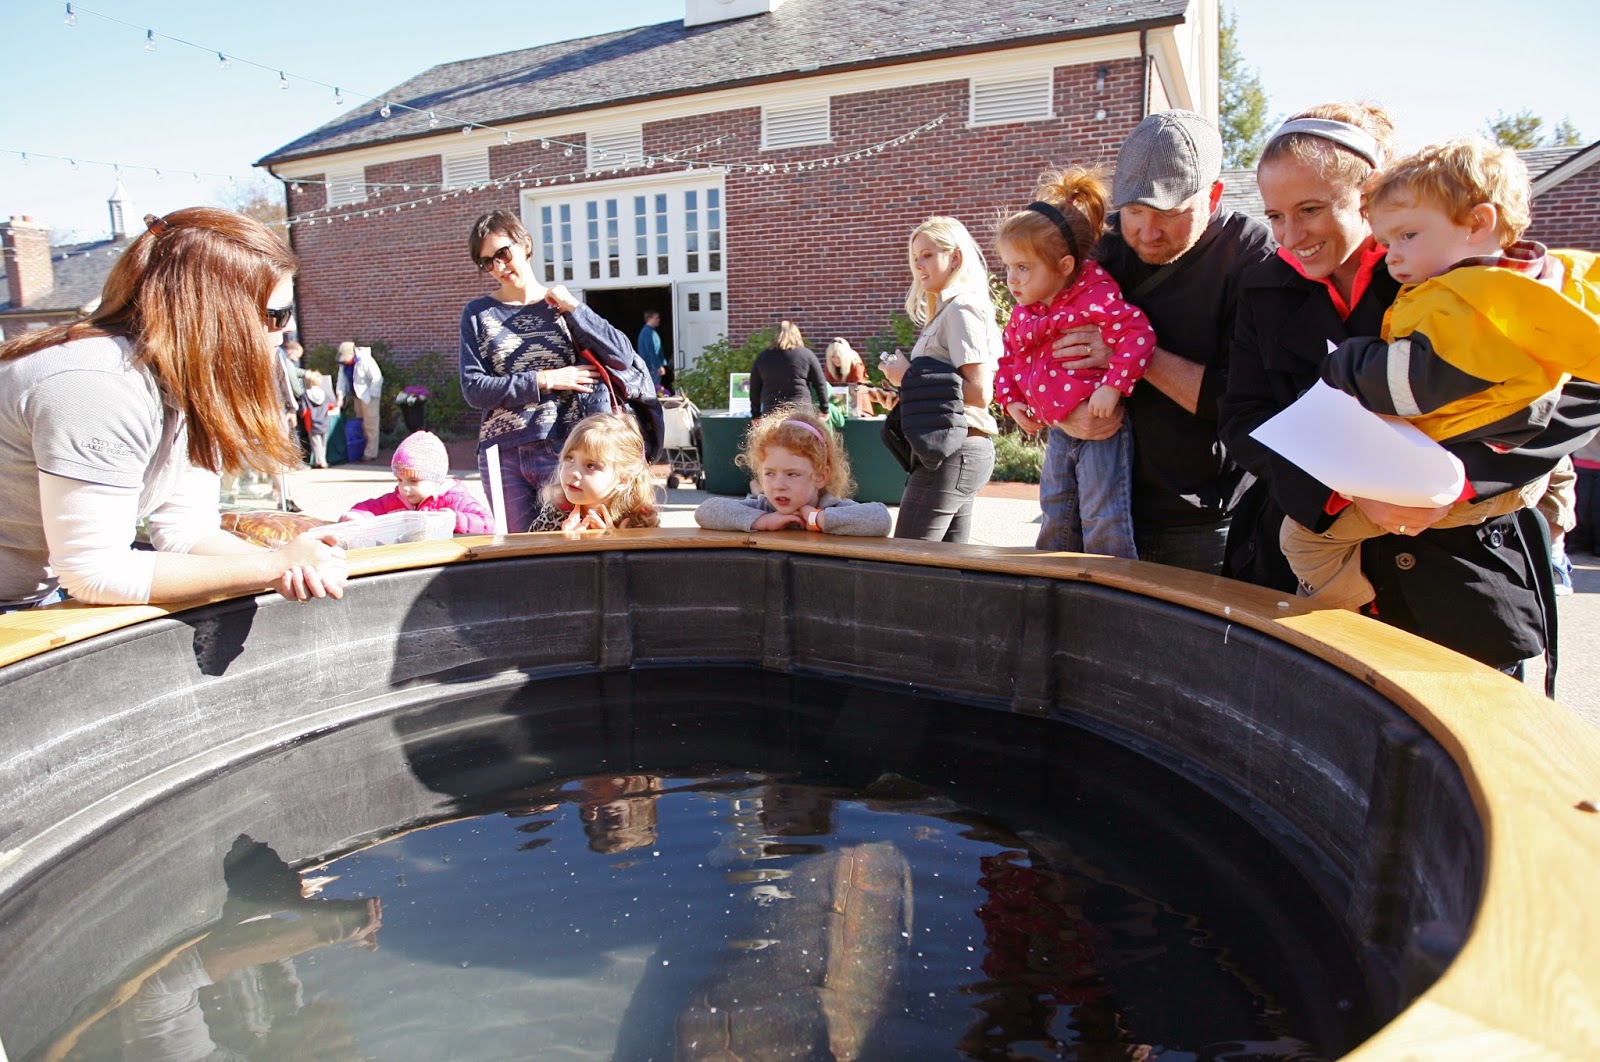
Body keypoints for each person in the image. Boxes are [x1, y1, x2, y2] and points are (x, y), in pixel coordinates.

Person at [1219, 103, 1600, 679]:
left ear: (1366, 196)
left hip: (1465, 580)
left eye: (1312, 209)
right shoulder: (1261, 286)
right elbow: (1243, 416)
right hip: (1314, 566)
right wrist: (1351, 493)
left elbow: (1577, 395)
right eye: (1275, 216)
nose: (1291, 236)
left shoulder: (1461, 267)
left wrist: (1448, 485)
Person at [1279, 137, 1600, 609]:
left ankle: (1343, 618)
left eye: (1407, 236)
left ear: (1477, 223)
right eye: (1386, 243)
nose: (1392, 256)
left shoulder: (1469, 302)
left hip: (1454, 487)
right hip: (1513, 469)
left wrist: (1345, 361)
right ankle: (1553, 540)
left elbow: (1407, 388)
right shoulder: (1539, 284)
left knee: (1303, 539)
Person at [0, 207, 346, 609]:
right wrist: (270, 566)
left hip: (30, 597)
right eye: (277, 314)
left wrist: (293, 566)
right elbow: (96, 572)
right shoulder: (98, 384)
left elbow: (185, 532)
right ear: (215, 314)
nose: (287, 329)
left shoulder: (186, 383)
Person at [1038, 110, 1276, 571]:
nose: (1147, 233)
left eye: (1170, 213)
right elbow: (1041, 338)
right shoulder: (1102, 244)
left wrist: (1129, 354)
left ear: (1214, 195)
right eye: (1134, 211)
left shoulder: (1252, 257)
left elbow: (1242, 401)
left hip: (1198, 518)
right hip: (1095, 501)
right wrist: (1062, 415)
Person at [996, 168, 1156, 559]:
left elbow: (1138, 335)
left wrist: (1112, 385)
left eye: (1023, 268)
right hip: (1060, 429)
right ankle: (1056, 587)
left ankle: (1113, 591)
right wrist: (1011, 399)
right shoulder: (1026, 312)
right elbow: (1011, 358)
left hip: (1100, 428)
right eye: (1008, 267)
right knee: (1055, 512)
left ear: (1064, 266)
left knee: (1104, 517)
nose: (1011, 280)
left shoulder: (1094, 298)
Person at [459, 209, 634, 534]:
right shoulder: (477, 314)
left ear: (525, 244)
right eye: (487, 262)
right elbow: (473, 388)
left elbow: (622, 357)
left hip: (564, 451)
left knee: (567, 547)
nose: (499, 267)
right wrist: (547, 379)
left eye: (503, 253)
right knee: (517, 555)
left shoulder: (560, 306)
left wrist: (575, 307)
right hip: (502, 454)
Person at [879, 216, 1001, 543]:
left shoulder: (962, 309)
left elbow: (979, 391)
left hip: (955, 452)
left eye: (928, 255)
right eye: (915, 258)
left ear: (955, 258)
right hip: (953, 449)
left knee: (907, 560)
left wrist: (908, 376)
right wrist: (906, 394)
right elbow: (946, 389)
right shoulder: (948, 310)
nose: (918, 265)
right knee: (946, 573)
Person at [694, 405, 891, 535]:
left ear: (820, 476)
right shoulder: (764, 507)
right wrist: (763, 521)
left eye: (792, 474)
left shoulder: (831, 507)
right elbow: (706, 511)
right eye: (769, 473)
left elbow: (880, 519)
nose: (779, 485)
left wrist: (817, 518)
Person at [341, 430, 493, 535]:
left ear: (436, 480)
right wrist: (357, 517)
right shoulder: (397, 500)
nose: (405, 488)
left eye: (414, 480)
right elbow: (372, 507)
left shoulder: (453, 499)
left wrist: (454, 519)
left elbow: (487, 523)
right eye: (400, 480)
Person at [528, 413, 661, 531]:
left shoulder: (638, 522)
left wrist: (617, 545)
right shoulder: (555, 515)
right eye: (570, 458)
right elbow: (531, 556)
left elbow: (654, 559)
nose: (573, 472)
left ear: (623, 480)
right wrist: (567, 544)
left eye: (591, 466)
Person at [749, 320, 828, 416]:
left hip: (772, 409)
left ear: (777, 335)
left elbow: (755, 387)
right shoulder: (806, 355)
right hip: (801, 408)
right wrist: (824, 409)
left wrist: (755, 413)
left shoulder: (763, 357)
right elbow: (820, 384)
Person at [335, 341, 383, 462]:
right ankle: (361, 449)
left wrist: (371, 395)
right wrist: (340, 396)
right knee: (361, 423)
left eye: (345, 357)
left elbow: (377, 378)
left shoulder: (365, 360)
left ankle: (370, 452)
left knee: (370, 424)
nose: (344, 360)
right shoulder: (344, 364)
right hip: (357, 395)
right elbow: (342, 380)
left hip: (370, 396)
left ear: (352, 353)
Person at [823, 337, 874, 418]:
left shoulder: (856, 366)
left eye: (839, 357)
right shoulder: (829, 367)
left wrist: (858, 410)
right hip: (839, 405)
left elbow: (860, 389)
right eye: (833, 357)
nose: (836, 360)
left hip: (859, 404)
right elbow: (828, 387)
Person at [299, 370, 333, 469]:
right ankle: (323, 460)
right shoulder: (324, 393)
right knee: (323, 443)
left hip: (311, 422)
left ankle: (319, 461)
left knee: (315, 443)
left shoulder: (305, 395)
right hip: (324, 420)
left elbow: (304, 410)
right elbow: (331, 405)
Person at [637, 310, 667, 394]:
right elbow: (651, 351)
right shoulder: (647, 333)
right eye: (656, 317)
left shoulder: (651, 332)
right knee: (653, 391)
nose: (659, 319)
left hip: (652, 367)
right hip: (651, 368)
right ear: (650, 318)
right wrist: (658, 366)